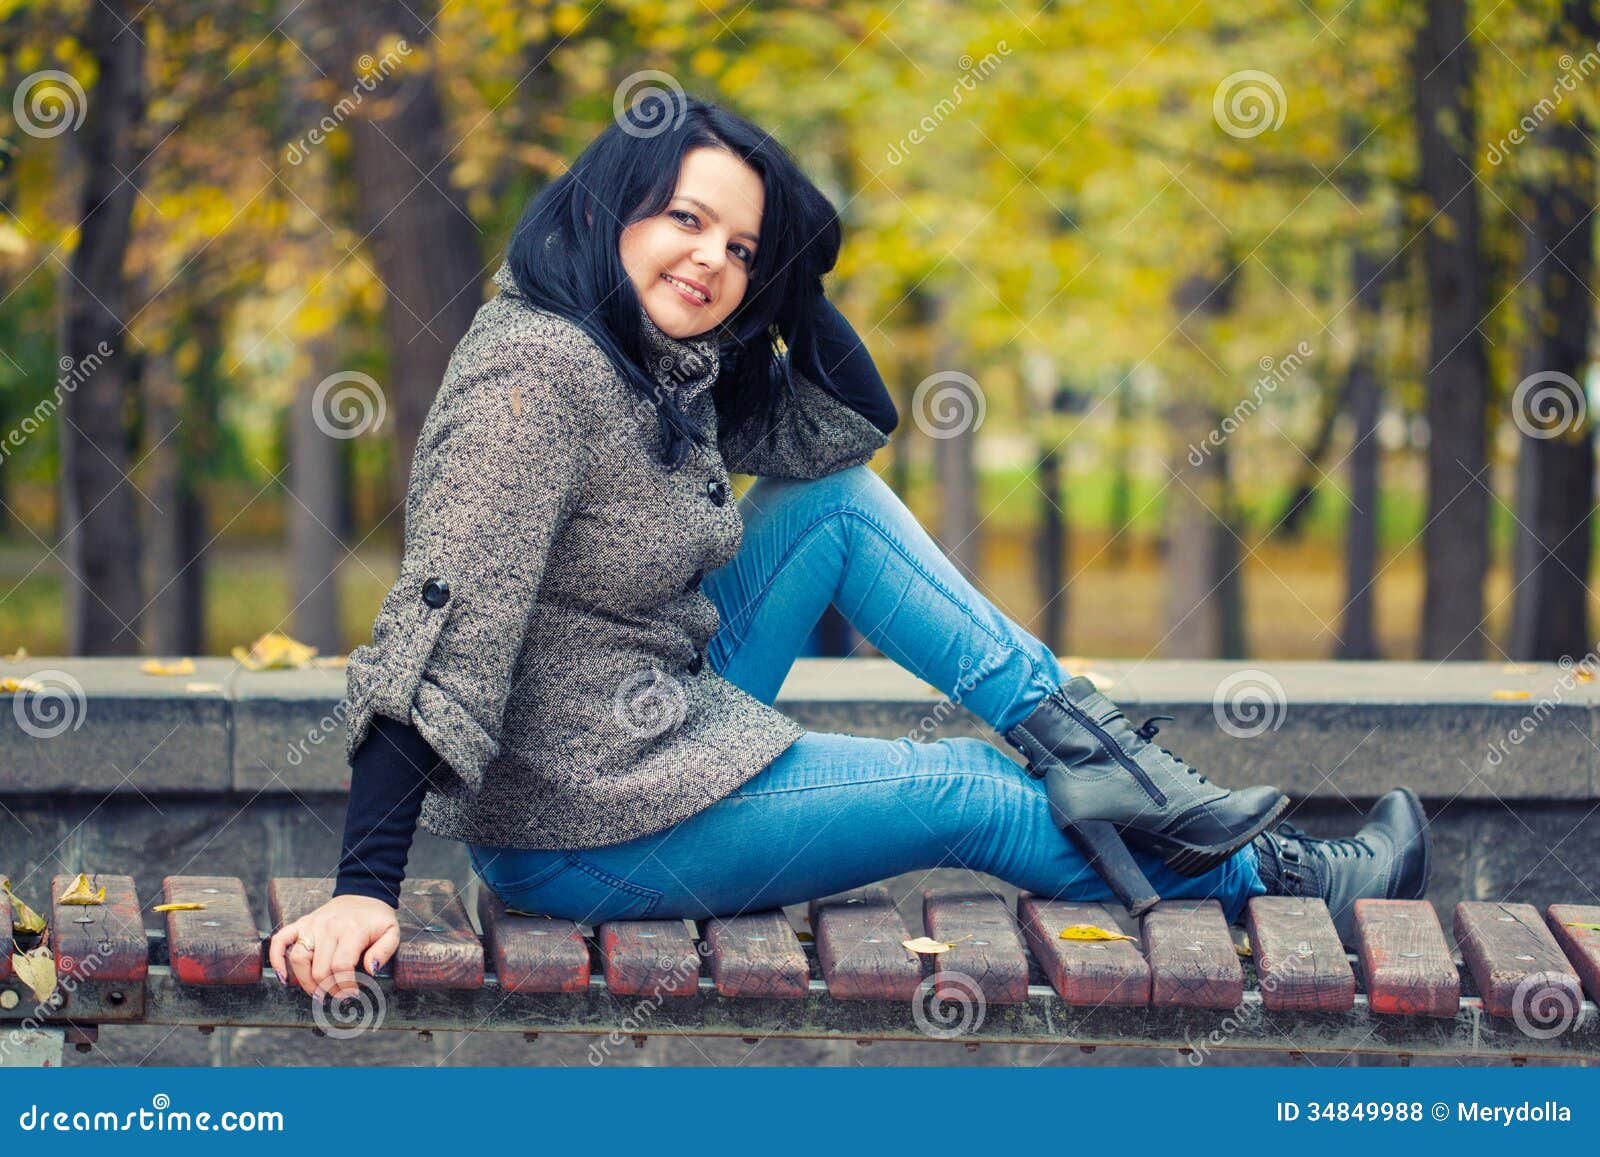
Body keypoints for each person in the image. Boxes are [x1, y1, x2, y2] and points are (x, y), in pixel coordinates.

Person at [268, 94, 1429, 1001]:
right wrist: (363, 886)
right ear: (606, 206)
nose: (711, 261)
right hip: (585, 823)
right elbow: (443, 622)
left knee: (835, 504)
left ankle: (1106, 756)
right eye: (685, 220)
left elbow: (841, 426)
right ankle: (1267, 879)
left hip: (652, 720)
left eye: (740, 247)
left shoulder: (647, 358)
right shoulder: (537, 377)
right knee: (972, 790)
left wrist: (786, 275)